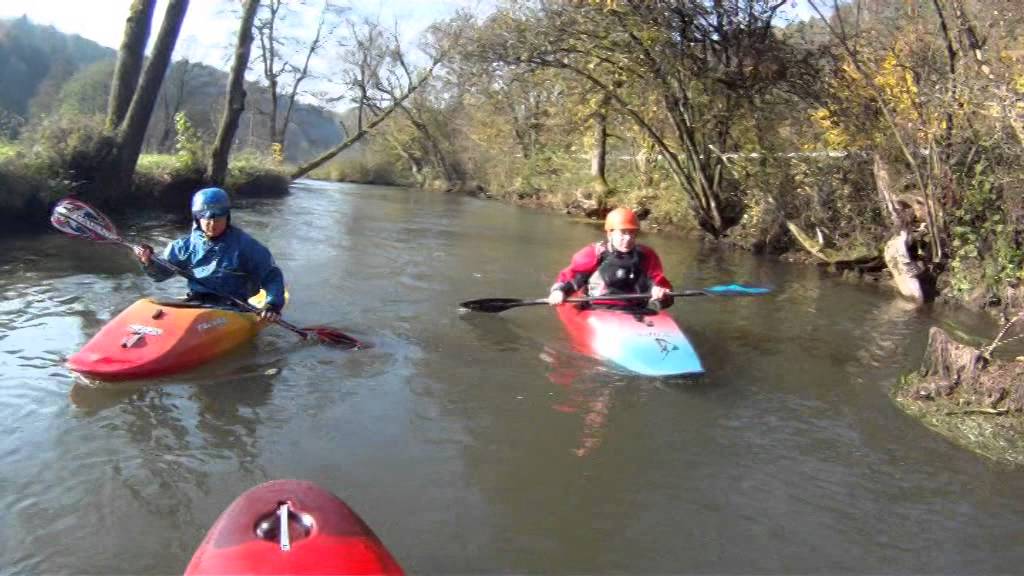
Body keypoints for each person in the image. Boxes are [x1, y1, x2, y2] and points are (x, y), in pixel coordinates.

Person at [133, 187, 285, 322]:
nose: (212, 224)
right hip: (197, 301)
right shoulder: (184, 246)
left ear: (227, 216)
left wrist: (272, 305)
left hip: (233, 307)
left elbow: (271, 275)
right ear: (197, 218)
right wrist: (148, 261)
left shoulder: (246, 246)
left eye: (218, 218)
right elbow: (160, 276)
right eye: (206, 218)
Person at [547, 206, 673, 309]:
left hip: (637, 310)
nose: (628, 238)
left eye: (632, 232)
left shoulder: (647, 255)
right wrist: (559, 291)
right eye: (623, 232)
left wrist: (662, 293)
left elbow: (661, 285)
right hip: (599, 309)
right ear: (610, 234)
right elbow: (573, 277)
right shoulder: (594, 253)